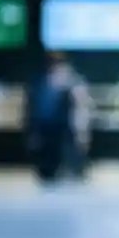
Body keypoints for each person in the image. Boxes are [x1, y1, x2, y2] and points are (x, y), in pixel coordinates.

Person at [30, 53, 93, 183]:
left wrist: (81, 130)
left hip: (63, 127)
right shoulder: (44, 83)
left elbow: (81, 107)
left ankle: (72, 170)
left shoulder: (73, 82)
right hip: (51, 128)